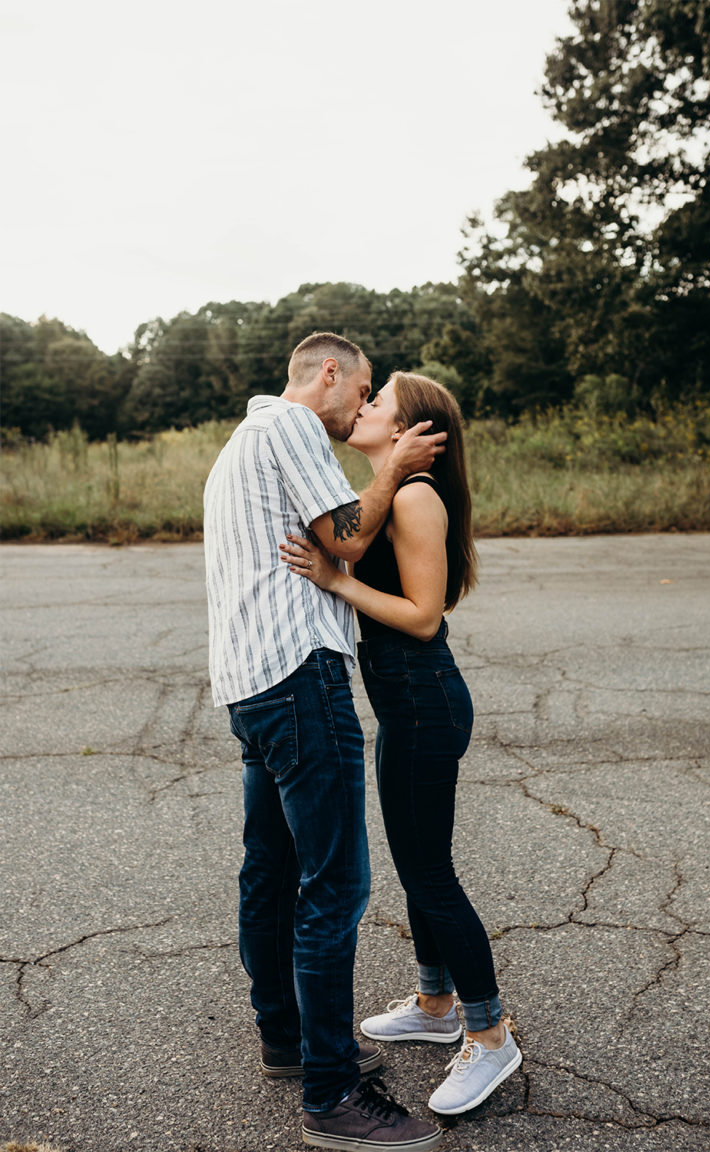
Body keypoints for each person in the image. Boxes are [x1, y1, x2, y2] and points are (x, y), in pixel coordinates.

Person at [204, 332, 446, 1151]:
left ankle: (288, 1040)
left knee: (271, 872)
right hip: (299, 679)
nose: (362, 407)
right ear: (330, 373)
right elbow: (345, 536)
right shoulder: (293, 425)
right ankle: (332, 1093)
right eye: (364, 390)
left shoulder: (241, 443)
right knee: (334, 886)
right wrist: (393, 469)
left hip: (249, 684)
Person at [280, 371, 522, 1117]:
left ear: (411, 431)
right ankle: (435, 1002)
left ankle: (489, 1035)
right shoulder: (393, 492)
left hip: (424, 703)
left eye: (378, 399)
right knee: (418, 867)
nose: (364, 406)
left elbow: (422, 616)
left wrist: (334, 580)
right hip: (405, 707)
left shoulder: (417, 498)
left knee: (430, 875)